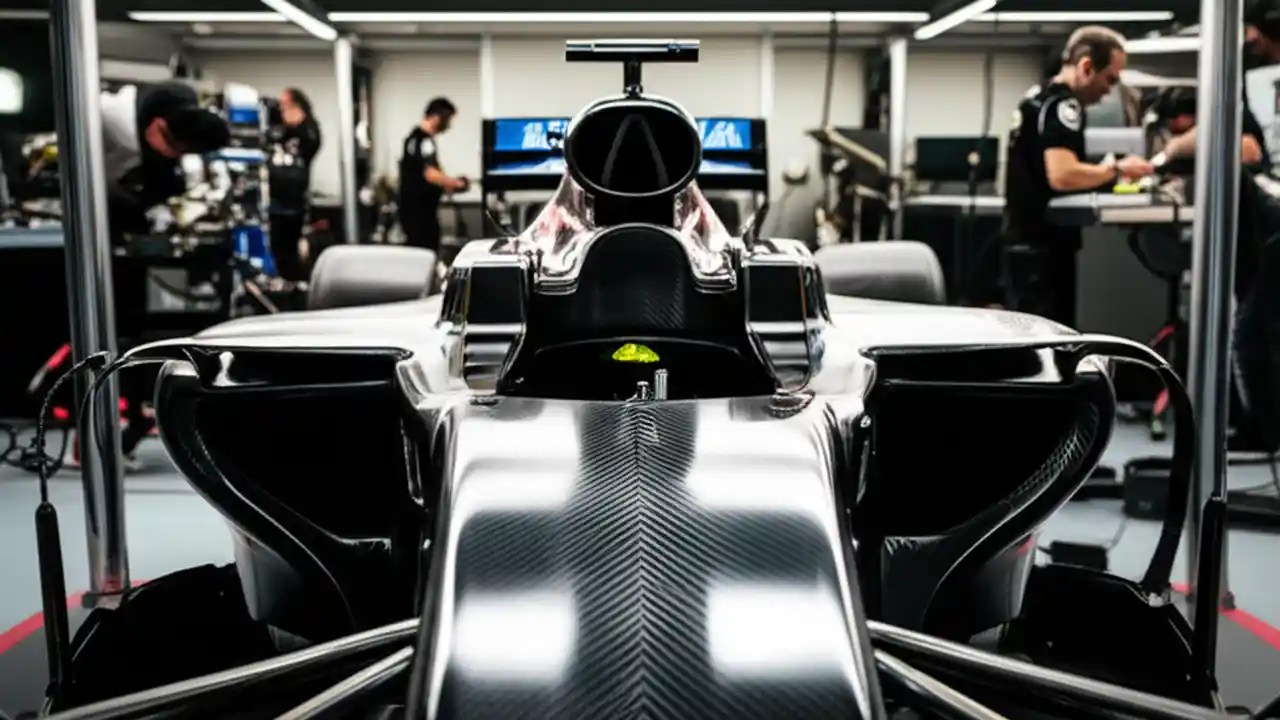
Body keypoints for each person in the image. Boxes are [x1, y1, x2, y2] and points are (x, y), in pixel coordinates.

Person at [99, 82, 229, 468]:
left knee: (133, 337)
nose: (177, 157)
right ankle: (93, 439)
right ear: (157, 127)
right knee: (105, 343)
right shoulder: (105, 122)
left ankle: (128, 428)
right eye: (177, 148)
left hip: (122, 248)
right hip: (92, 246)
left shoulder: (169, 120)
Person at [1000, 26, 1154, 327]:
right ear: (1086, 67)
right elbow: (1063, 175)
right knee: (1052, 339)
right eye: (1110, 78)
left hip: (1021, 242)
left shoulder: (1035, 98)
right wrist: (1116, 169)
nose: (1109, 90)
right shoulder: (1064, 107)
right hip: (1045, 249)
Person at [398, 97, 469, 253]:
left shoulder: (412, 139)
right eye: (448, 119)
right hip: (421, 214)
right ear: (437, 117)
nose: (448, 125)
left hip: (411, 211)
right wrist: (455, 183)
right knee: (426, 252)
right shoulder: (424, 141)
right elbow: (430, 174)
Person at [268, 87, 322, 282]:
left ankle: (294, 283)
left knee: (289, 249)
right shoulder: (275, 126)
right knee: (273, 247)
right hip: (271, 200)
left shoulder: (308, 130)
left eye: (286, 105)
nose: (282, 110)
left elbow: (311, 144)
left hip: (293, 201)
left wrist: (296, 118)